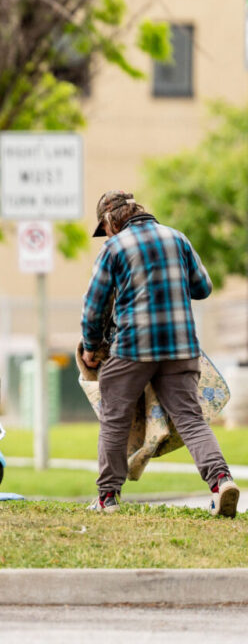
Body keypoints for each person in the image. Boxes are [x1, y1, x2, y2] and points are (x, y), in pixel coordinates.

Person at [80, 189, 238, 516]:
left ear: (111, 220)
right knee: (191, 419)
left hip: (132, 348)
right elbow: (203, 288)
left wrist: (92, 349)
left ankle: (107, 497)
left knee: (114, 418)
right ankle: (221, 481)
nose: (105, 235)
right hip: (181, 347)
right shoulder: (177, 239)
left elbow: (94, 308)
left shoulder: (114, 248)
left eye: (104, 228)